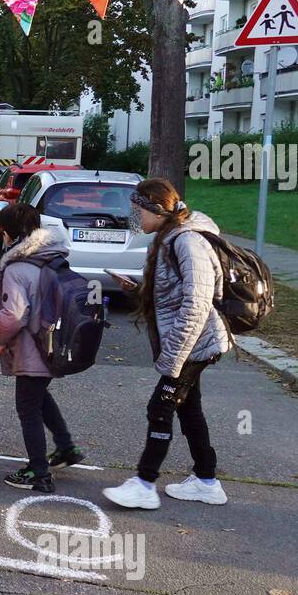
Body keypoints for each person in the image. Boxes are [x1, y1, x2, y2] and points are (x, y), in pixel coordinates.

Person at [103, 178, 232, 510]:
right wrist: (137, 288)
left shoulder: (187, 242)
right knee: (189, 408)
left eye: (138, 212)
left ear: (157, 210)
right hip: (192, 341)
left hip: (195, 342)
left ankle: (145, 484)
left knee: (160, 407)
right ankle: (206, 480)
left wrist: (173, 359)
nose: (135, 219)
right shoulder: (168, 238)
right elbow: (174, 292)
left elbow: (196, 304)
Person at [0, 204, 85, 492]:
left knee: (27, 407)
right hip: (54, 343)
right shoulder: (51, 257)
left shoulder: (18, 267)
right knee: (39, 396)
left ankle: (39, 472)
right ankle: (66, 447)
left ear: (6, 233)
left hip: (32, 347)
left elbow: (13, 315)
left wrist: (0, 339)